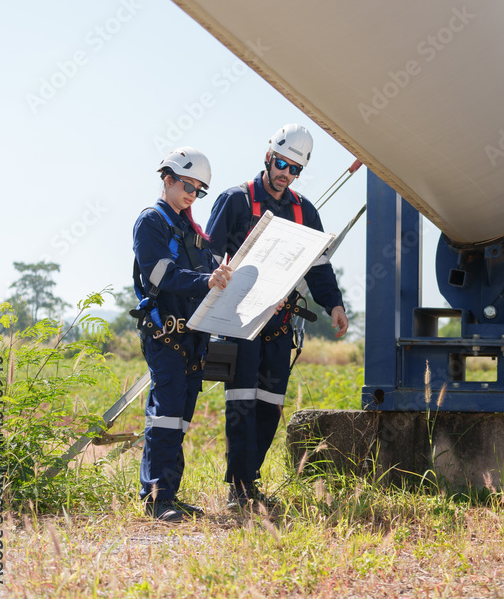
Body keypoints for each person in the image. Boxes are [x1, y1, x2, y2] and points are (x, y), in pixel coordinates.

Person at [207, 123, 349, 509]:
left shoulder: (305, 211)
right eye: (283, 163)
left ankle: (249, 480)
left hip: (280, 326)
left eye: (296, 169)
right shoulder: (235, 200)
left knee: (269, 407)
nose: (287, 173)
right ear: (269, 158)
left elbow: (319, 267)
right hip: (240, 324)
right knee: (242, 404)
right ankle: (237, 487)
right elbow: (208, 255)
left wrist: (333, 303)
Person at [132, 147, 233, 522]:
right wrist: (207, 279)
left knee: (180, 419)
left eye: (200, 189)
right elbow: (161, 275)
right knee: (166, 416)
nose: (193, 193)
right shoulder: (151, 223)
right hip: (165, 335)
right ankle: (156, 499)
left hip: (193, 339)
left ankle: (168, 495)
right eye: (188, 184)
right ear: (168, 178)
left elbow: (210, 282)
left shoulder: (193, 232)